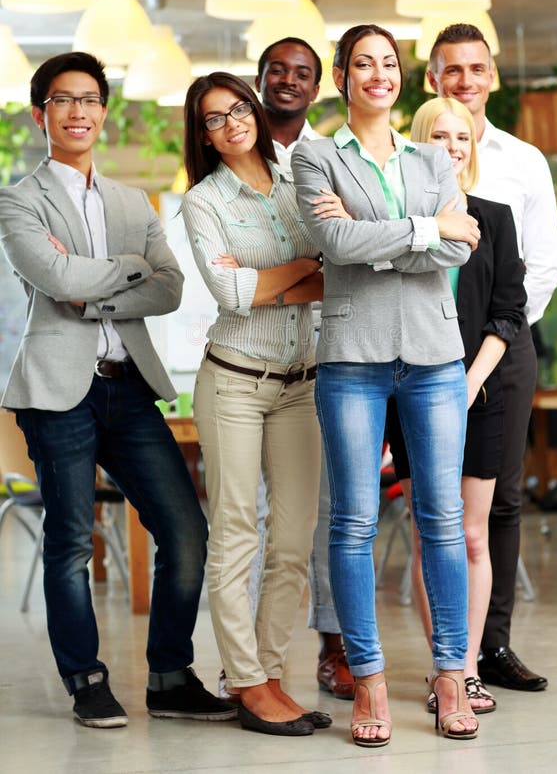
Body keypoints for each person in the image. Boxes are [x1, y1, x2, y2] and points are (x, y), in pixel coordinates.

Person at [0, 51, 236, 728]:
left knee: (186, 531)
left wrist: (99, 280)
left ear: (104, 111)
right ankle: (86, 679)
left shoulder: (132, 202)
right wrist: (116, 277)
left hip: (128, 387)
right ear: (41, 112)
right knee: (72, 542)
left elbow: (169, 287)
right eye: (64, 100)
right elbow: (56, 280)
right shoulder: (19, 199)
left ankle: (169, 675)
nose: (79, 112)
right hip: (57, 393)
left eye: (90, 100)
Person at [292, 24, 481, 747]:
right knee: (353, 523)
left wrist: (398, 234)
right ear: (342, 76)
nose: (379, 74)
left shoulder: (434, 156)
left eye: (389, 63)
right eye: (364, 63)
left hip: (434, 358)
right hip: (352, 359)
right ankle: (366, 677)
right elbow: (335, 246)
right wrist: (423, 230)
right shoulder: (315, 156)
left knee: (440, 520)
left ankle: (450, 676)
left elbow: (463, 241)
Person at [180, 71, 327, 738]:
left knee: (293, 540)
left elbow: (341, 268)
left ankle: (268, 674)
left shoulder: (304, 178)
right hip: (235, 380)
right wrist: (302, 269)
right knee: (238, 532)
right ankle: (244, 680)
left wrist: (270, 277)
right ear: (204, 137)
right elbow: (233, 294)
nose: (232, 122)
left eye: (238, 107)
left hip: (302, 385)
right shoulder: (204, 202)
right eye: (215, 118)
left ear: (256, 111)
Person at [427, 23, 557, 692]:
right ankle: (451, 656)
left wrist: (489, 343)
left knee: (502, 501)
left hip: (504, 345)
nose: (466, 80)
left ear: (493, 76)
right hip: (425, 349)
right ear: (433, 78)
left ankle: (491, 649)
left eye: (477, 69)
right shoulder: (416, 150)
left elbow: (541, 270)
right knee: (438, 507)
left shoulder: (525, 160)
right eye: (453, 69)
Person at [387, 97, 527, 715]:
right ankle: (446, 667)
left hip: (480, 393)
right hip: (411, 390)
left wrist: (469, 383)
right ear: (419, 146)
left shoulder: (495, 219)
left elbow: (508, 313)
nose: (452, 147)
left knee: (471, 534)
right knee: (427, 535)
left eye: (462, 137)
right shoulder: (400, 222)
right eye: (438, 136)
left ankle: (466, 670)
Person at [255, 36, 354, 701]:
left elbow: (347, 259)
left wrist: (272, 279)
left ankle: (335, 644)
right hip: (257, 357)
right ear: (258, 79)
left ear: (318, 88)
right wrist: (287, 278)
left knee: (332, 509)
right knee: (262, 517)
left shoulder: (334, 159)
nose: (289, 81)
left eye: (302, 74)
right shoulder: (236, 158)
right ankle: (261, 661)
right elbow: (228, 273)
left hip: (329, 355)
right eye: (277, 71)